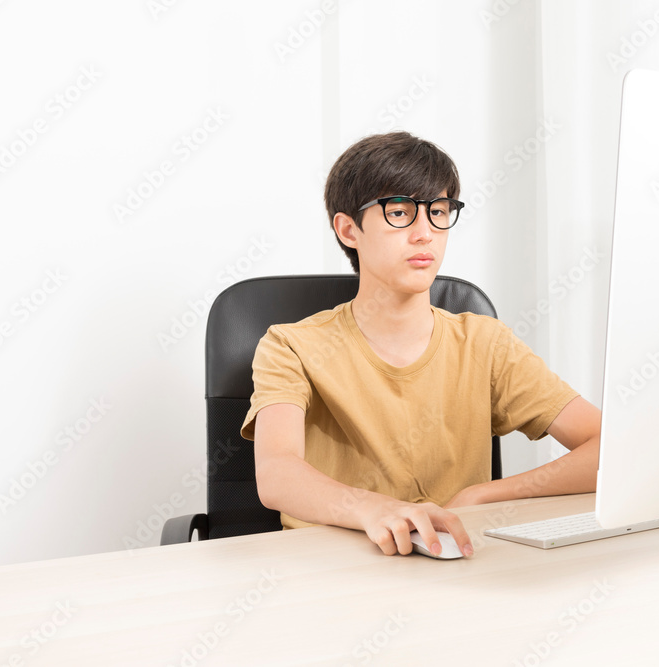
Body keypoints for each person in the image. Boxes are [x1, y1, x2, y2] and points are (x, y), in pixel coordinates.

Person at [240, 132, 601, 557]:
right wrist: (375, 510)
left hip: (453, 562)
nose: (425, 233)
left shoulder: (484, 343)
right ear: (348, 229)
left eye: (439, 212)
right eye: (399, 213)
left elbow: (606, 448)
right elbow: (277, 474)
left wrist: (483, 496)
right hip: (328, 568)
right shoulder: (291, 346)